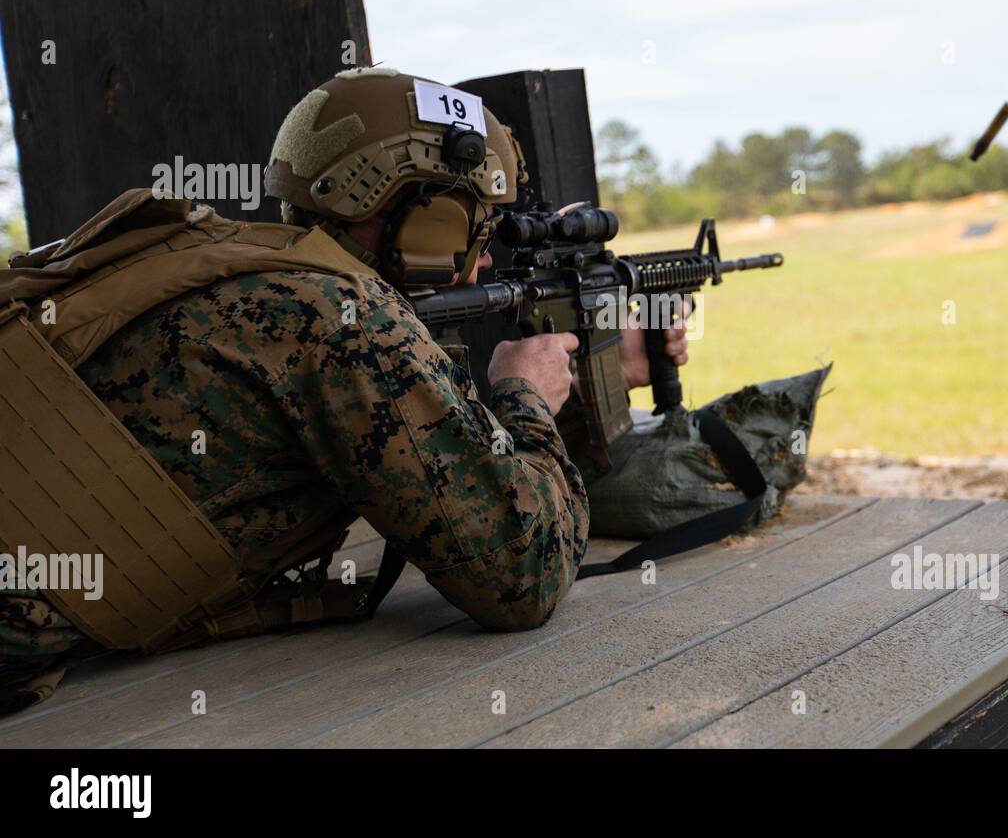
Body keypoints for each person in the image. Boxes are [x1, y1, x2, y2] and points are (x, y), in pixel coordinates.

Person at [0, 66, 687, 715]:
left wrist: (609, 363)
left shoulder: (232, 260)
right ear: (416, 211)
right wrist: (525, 396)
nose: (483, 255)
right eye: (472, 221)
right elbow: (520, 571)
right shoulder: (342, 321)